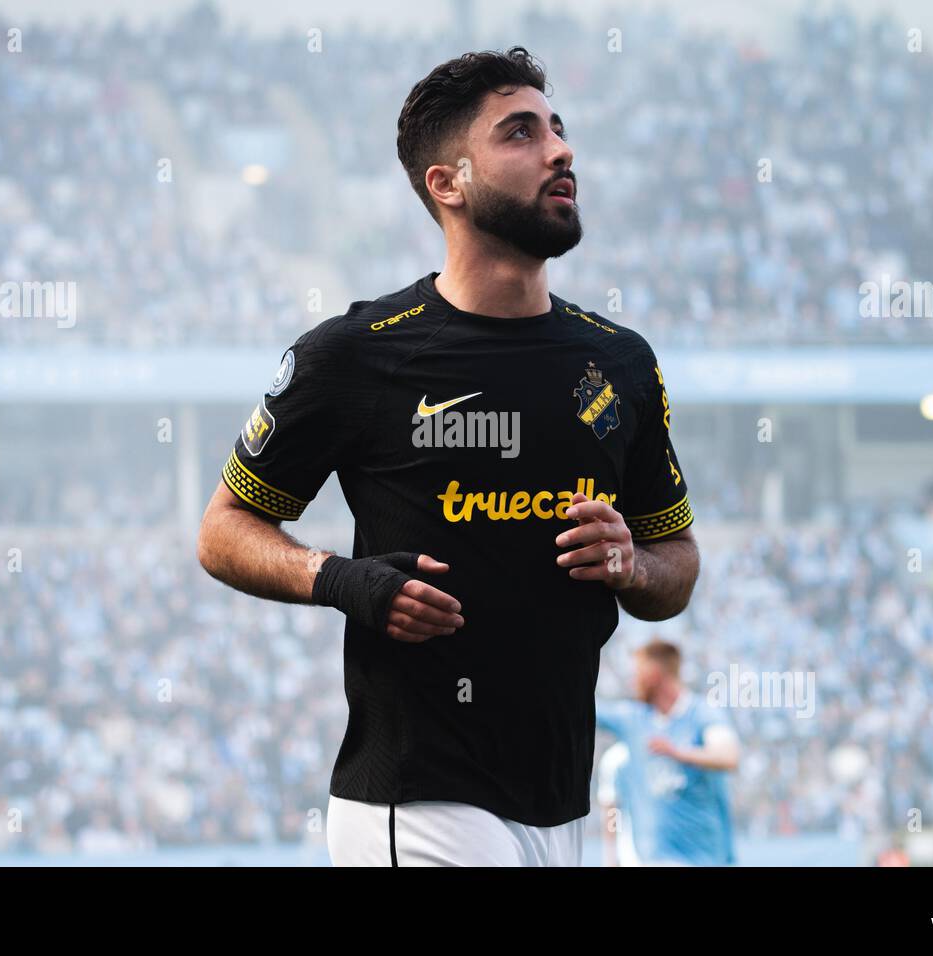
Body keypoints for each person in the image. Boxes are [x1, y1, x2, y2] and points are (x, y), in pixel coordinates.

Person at [198, 47, 700, 867]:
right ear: (448, 183)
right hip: (418, 799)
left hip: (563, 808)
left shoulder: (620, 363)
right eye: (520, 133)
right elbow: (223, 531)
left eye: (559, 129)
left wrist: (631, 566)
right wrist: (342, 580)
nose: (560, 149)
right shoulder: (355, 355)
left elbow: (677, 565)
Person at [596, 640, 738, 866]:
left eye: (638, 673)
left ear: (653, 674)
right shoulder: (632, 718)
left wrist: (678, 753)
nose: (633, 681)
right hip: (655, 860)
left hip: (705, 859)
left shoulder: (702, 714)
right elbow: (587, 709)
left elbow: (728, 757)